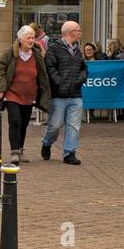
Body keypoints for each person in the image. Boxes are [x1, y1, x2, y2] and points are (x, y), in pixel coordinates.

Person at [0, 25, 50, 164]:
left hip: (29, 95)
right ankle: (14, 152)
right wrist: (1, 89)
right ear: (20, 39)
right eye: (28, 38)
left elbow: (42, 74)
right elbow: (0, 70)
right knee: (15, 121)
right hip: (12, 93)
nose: (31, 40)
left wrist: (43, 92)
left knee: (24, 123)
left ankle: (20, 149)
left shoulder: (37, 54)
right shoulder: (10, 53)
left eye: (33, 37)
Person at [41, 19, 87, 165]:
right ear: (70, 32)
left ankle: (69, 153)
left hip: (76, 94)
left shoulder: (78, 50)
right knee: (55, 125)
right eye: (78, 30)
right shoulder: (54, 48)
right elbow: (50, 67)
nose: (80, 33)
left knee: (73, 125)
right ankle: (47, 142)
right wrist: (59, 82)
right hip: (59, 94)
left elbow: (83, 68)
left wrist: (80, 79)